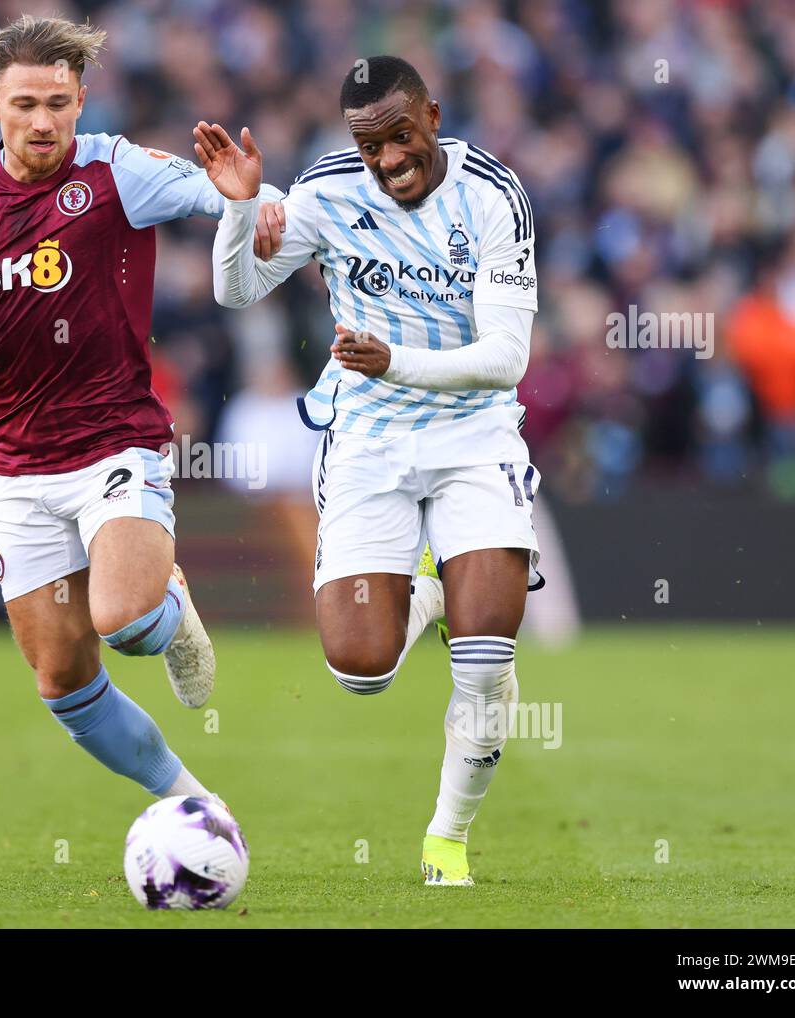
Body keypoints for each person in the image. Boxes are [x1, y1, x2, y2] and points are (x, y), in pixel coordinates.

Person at [0, 14, 282, 802]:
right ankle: (193, 804)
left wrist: (246, 198)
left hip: (116, 445)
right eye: (25, 103)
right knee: (61, 681)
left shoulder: (116, 171)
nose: (43, 121)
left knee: (124, 619)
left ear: (81, 100)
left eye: (58, 103)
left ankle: (168, 604)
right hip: (19, 469)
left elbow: (232, 194)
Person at [196, 55, 542, 886]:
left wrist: (396, 362)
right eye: (368, 144)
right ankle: (432, 582)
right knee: (361, 670)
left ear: (431, 111)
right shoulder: (327, 191)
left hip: (474, 437)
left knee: (487, 660)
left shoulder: (494, 195)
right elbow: (237, 292)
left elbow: (506, 358)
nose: (387, 160)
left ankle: (446, 841)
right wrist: (240, 212)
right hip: (369, 442)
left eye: (399, 137)